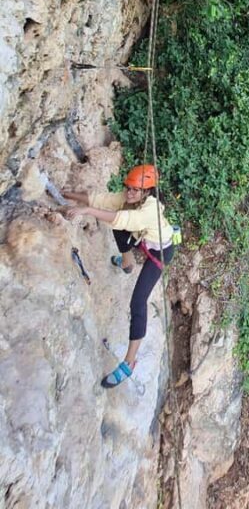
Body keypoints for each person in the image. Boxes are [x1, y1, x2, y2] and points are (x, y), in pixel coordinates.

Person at [62, 164, 174, 389]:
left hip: (160, 253)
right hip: (144, 240)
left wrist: (86, 211)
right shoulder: (131, 199)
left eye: (134, 190)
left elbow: (120, 219)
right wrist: (69, 194)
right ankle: (127, 262)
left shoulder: (149, 211)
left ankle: (129, 362)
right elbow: (101, 199)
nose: (129, 192)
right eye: (128, 187)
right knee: (117, 220)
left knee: (138, 302)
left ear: (146, 192)